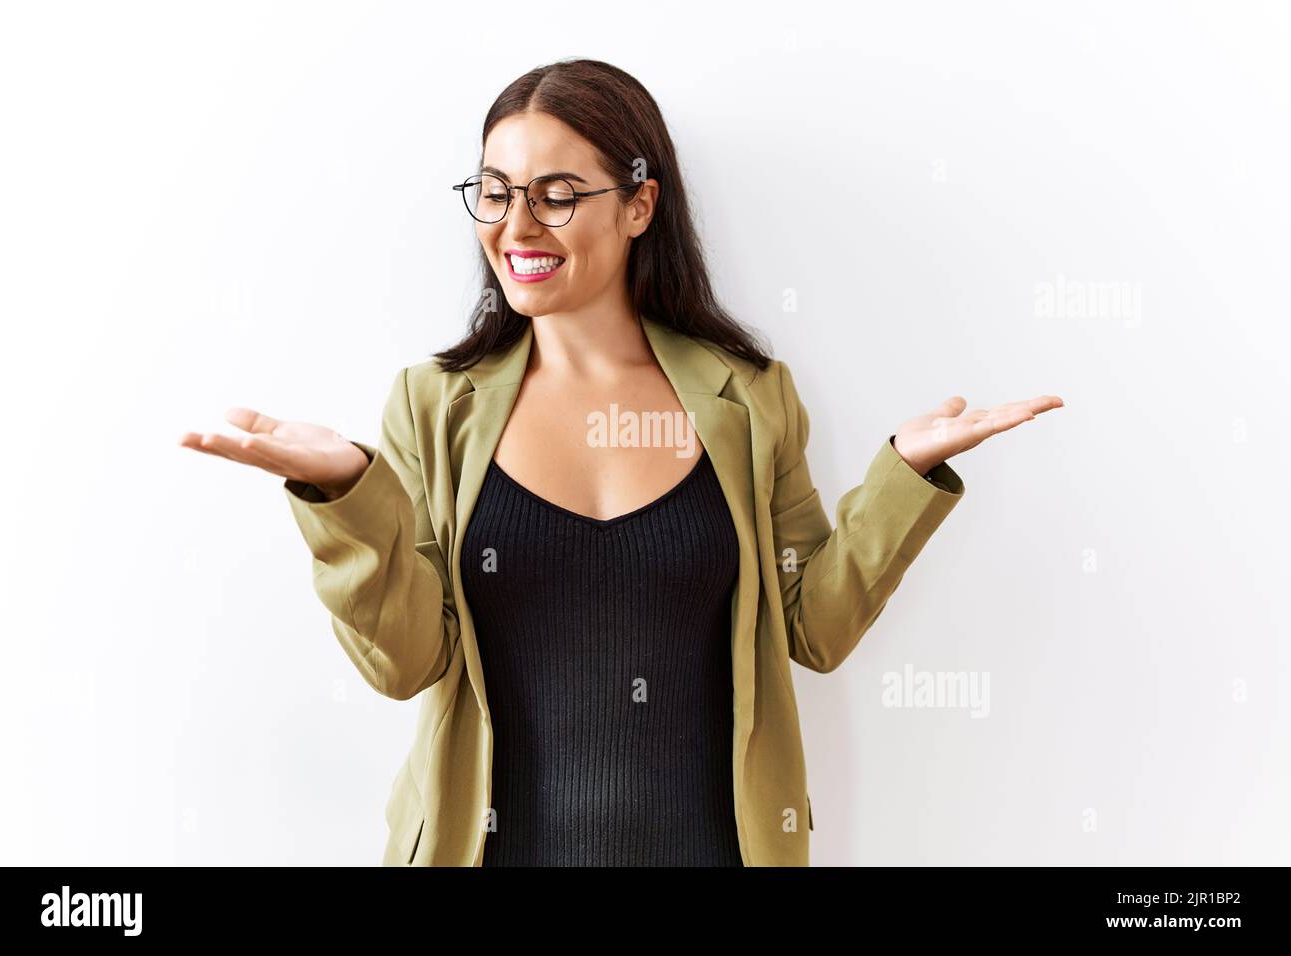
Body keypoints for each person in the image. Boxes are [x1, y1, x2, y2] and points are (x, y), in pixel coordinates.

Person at [179, 57, 1063, 866]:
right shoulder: (433, 405)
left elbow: (814, 631)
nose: (516, 225)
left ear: (639, 205)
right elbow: (405, 661)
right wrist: (343, 493)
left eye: (557, 193)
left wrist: (902, 474)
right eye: (494, 192)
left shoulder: (749, 398)